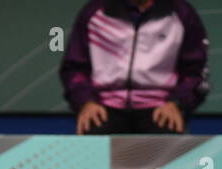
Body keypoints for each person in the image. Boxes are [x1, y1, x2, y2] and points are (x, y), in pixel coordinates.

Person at [61, 0, 209, 135]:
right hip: (103, 105)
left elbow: (195, 71)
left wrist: (177, 103)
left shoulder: (181, 13)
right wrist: (87, 101)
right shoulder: (95, 12)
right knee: (91, 133)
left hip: (161, 106)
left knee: (169, 135)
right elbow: (74, 68)